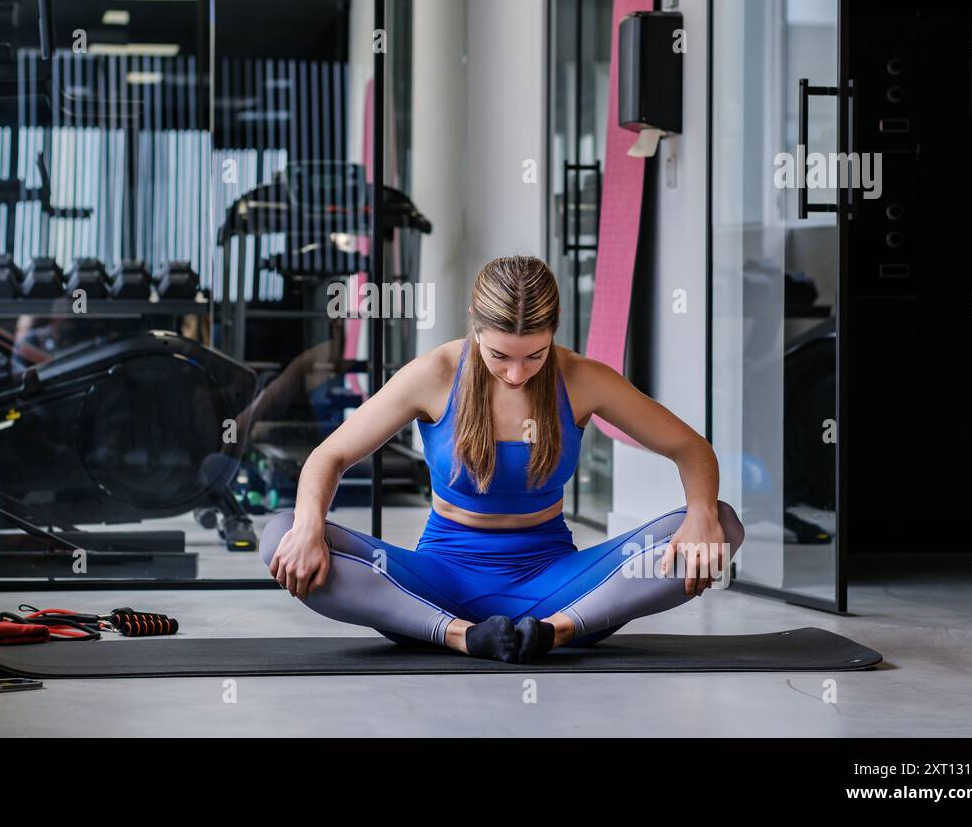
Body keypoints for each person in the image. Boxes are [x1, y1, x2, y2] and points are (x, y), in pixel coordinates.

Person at [260, 255, 745, 663]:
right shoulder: (434, 373)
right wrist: (307, 527)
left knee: (721, 521)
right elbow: (331, 455)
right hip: (439, 583)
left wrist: (701, 514)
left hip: (553, 585)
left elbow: (690, 448)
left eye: (534, 356)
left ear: (553, 333)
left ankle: (554, 632)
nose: (516, 373)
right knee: (280, 536)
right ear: (475, 321)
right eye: (500, 356)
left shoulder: (582, 378)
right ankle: (463, 636)